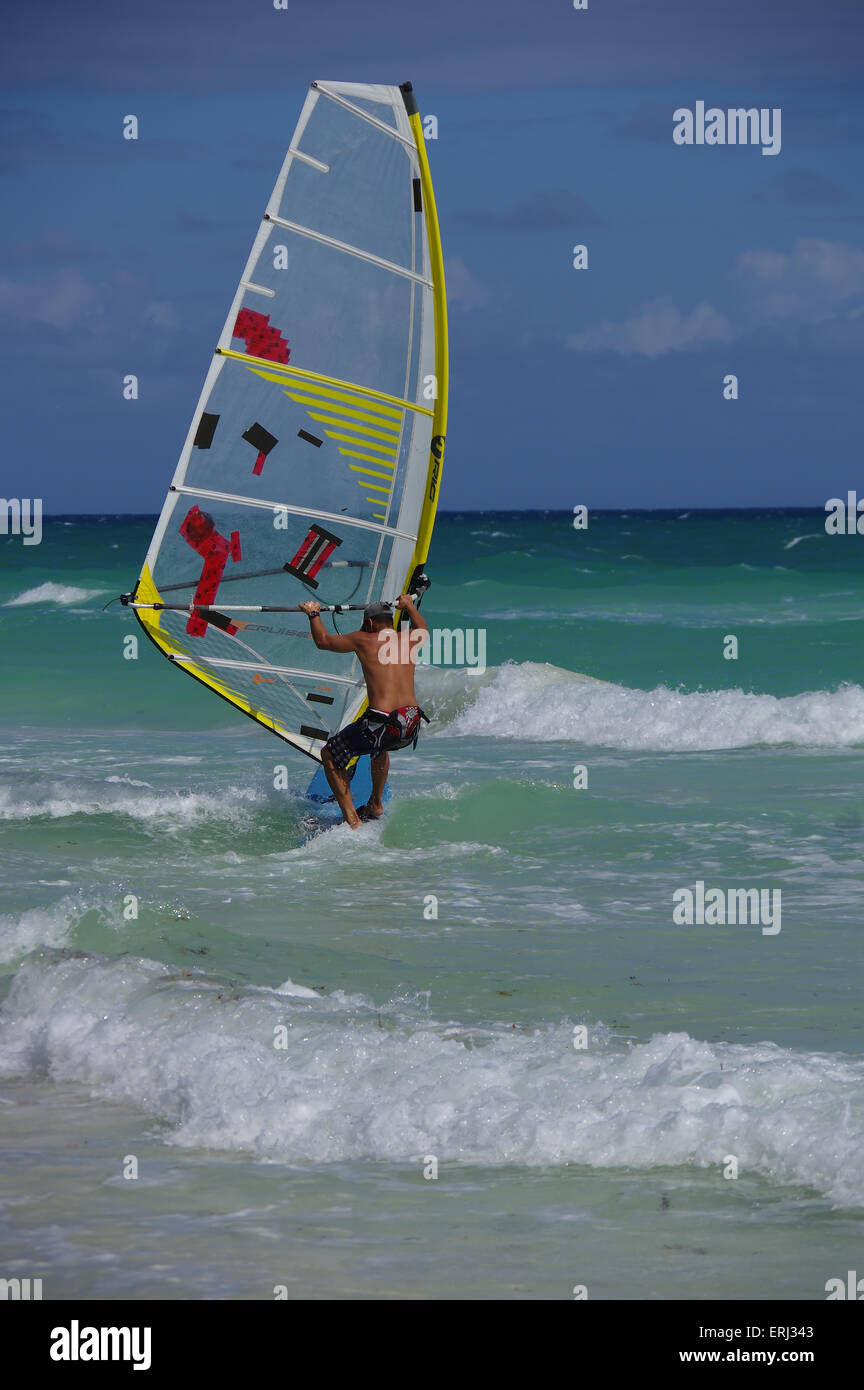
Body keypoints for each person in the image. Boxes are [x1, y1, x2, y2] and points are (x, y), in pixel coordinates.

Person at [300, 595, 429, 828]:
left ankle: (352, 820)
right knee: (379, 746)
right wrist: (410, 605)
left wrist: (313, 613)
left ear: (370, 623)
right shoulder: (410, 638)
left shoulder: (363, 639)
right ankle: (375, 804)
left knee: (329, 754)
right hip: (409, 722)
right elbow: (423, 627)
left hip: (381, 723)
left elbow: (323, 641)